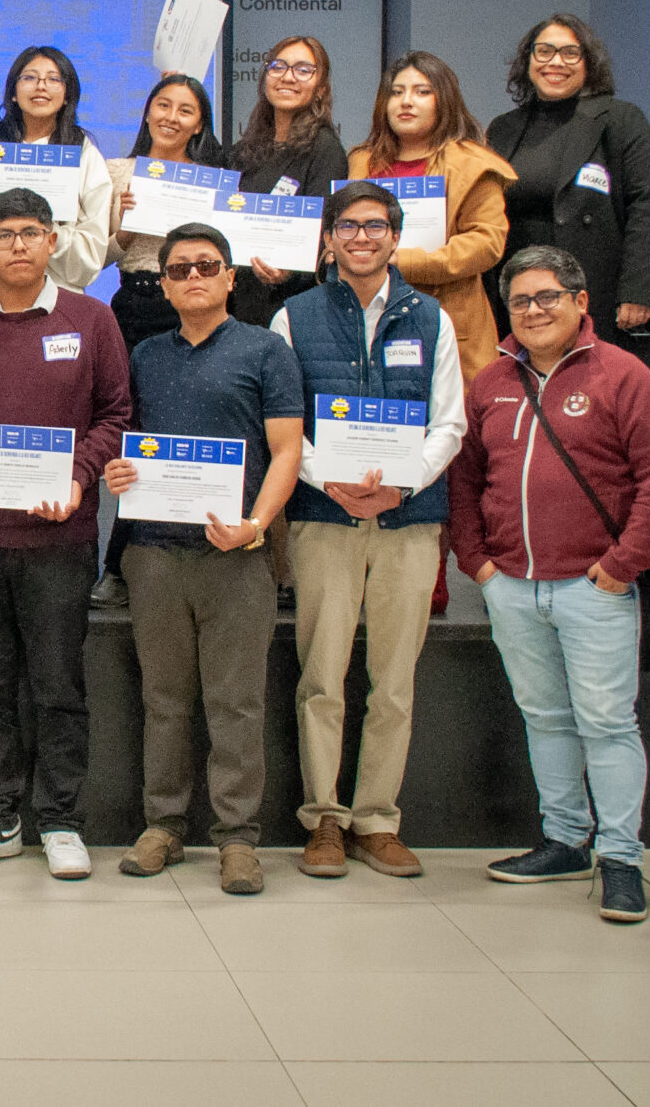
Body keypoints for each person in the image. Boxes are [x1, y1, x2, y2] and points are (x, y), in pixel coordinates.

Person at [448, 246, 650, 924]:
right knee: (545, 717)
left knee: (606, 722)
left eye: (547, 297)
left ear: (581, 302)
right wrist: (478, 563)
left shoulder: (626, 377)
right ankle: (564, 839)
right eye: (520, 301)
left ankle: (623, 858)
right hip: (512, 583)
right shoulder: (491, 381)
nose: (534, 311)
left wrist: (620, 565)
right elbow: (466, 479)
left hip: (593, 585)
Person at [0, 188, 134, 880]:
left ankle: (60, 820)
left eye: (31, 232)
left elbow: (115, 413)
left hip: (59, 539)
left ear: (54, 242)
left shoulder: (92, 318)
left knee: (57, 686)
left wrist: (80, 476)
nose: (18, 245)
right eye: (4, 233)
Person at [268, 182, 466, 878]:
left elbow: (451, 422)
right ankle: (323, 818)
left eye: (374, 226)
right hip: (325, 516)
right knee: (322, 674)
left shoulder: (432, 317)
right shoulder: (293, 317)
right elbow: (285, 425)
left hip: (410, 521)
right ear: (327, 238)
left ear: (394, 235)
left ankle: (378, 819)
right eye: (347, 226)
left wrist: (404, 483)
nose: (360, 237)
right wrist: (333, 483)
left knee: (394, 681)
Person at [106, 225, 305, 896]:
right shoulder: (146, 355)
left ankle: (237, 838)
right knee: (164, 699)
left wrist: (256, 525)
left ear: (230, 278)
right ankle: (163, 826)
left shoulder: (265, 350)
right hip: (155, 553)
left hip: (237, 554)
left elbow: (286, 451)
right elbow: (125, 441)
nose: (193, 278)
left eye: (207, 267)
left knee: (236, 702)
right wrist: (120, 474)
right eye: (180, 269)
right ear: (162, 284)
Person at [93, 71, 222, 610]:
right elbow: (98, 255)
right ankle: (118, 563)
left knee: (185, 422)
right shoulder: (117, 171)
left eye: (185, 109)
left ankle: (187, 544)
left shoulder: (215, 180)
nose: (171, 116)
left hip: (195, 305)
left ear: (199, 123)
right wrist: (122, 224)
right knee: (134, 428)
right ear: (147, 112)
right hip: (135, 302)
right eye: (162, 105)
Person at [486, 15, 650, 377]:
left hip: (596, 288)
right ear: (528, 61)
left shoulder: (621, 120)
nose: (556, 62)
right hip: (521, 294)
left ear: (589, 63)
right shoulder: (503, 129)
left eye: (571, 53)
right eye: (545, 51)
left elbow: (646, 205)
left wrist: (637, 290)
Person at [350, 50, 514, 379]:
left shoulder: (473, 164)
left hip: (448, 318)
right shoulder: (360, 162)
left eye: (422, 91)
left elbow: (487, 243)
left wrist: (403, 261)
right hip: (366, 315)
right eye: (396, 92)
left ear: (445, 100)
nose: (406, 102)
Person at [0, 46, 116, 292]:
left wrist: (41, 231)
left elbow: (91, 258)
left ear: (67, 95)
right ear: (13, 92)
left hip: (59, 297)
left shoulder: (84, 156)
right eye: (29, 77)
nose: (41, 86)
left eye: (53, 79)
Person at [226, 35, 351, 330]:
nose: (288, 76)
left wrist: (289, 272)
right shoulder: (247, 148)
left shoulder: (325, 149)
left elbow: (325, 234)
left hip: (292, 307)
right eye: (278, 66)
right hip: (241, 304)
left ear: (320, 89)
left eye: (303, 69)